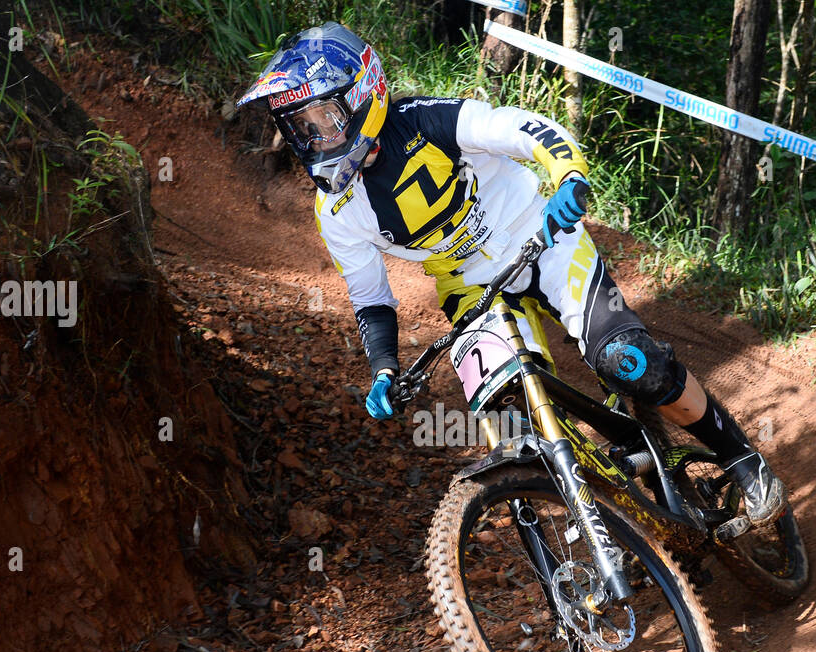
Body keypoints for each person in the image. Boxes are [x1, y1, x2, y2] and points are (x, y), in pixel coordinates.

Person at [237, 22, 786, 524]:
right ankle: (609, 529)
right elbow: (370, 299)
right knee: (512, 427)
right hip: (472, 286)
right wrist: (383, 368)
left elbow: (525, 129)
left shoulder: (428, 120)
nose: (314, 140)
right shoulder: (334, 209)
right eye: (301, 128)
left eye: (324, 120)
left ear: (361, 96)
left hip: (543, 239)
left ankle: (740, 454)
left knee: (628, 361)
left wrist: (568, 177)